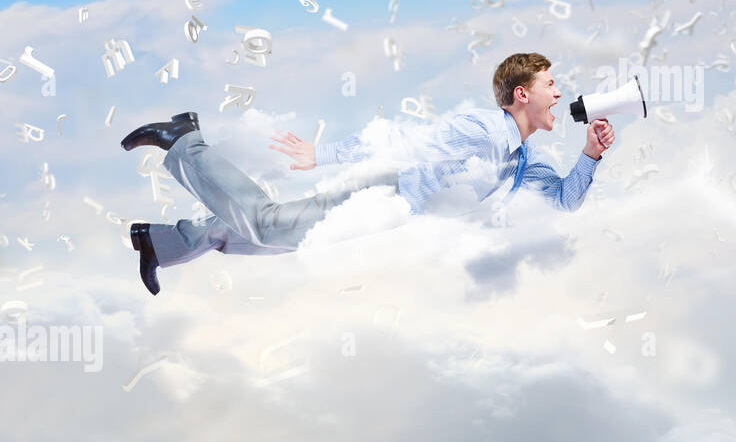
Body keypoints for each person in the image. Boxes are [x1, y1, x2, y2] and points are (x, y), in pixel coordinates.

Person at [121, 53, 614, 296]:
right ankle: (184, 140)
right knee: (267, 223)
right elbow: (403, 140)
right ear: (522, 95)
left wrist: (590, 155)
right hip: (384, 196)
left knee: (275, 239)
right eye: (551, 84)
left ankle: (160, 244)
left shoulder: (528, 162)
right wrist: (324, 154)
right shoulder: (482, 128)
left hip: (394, 221)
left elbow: (566, 201)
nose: (559, 93)